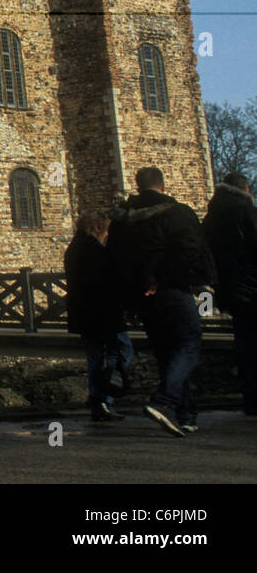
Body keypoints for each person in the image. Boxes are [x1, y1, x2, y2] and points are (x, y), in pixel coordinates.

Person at [107, 167, 214, 437]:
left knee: (169, 352)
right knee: (189, 344)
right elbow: (192, 251)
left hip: (141, 296)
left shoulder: (121, 221)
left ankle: (186, 415)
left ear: (138, 186)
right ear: (162, 185)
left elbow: (115, 262)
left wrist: (128, 299)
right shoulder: (177, 213)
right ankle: (163, 401)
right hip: (172, 289)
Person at [65, 210, 131, 421]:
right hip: (103, 313)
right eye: (105, 231)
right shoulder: (95, 250)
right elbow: (108, 282)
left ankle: (98, 400)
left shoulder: (74, 248)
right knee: (120, 351)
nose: (107, 235)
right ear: (96, 229)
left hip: (84, 313)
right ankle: (103, 397)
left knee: (96, 355)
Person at [202, 172, 257, 414]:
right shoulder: (245, 210)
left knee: (244, 343)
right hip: (252, 287)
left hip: (228, 289)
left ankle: (250, 396)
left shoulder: (211, 216)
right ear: (244, 188)